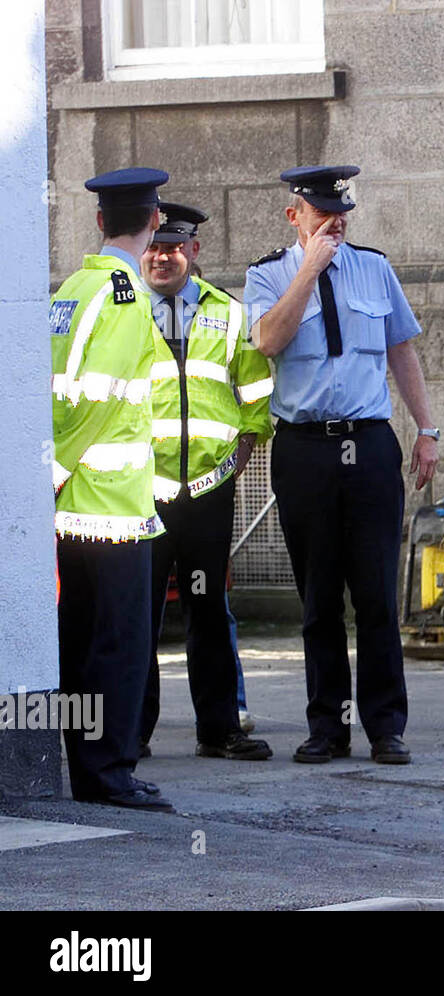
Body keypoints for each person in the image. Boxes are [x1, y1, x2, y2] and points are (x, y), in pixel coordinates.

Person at [244, 165, 439, 766]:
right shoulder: (266, 274)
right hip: (305, 447)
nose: (335, 220)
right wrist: (308, 271)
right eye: (321, 211)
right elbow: (268, 341)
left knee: (376, 592)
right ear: (294, 216)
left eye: (342, 211)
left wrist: (426, 428)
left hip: (369, 443)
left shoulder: (375, 269)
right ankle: (327, 726)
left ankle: (386, 727)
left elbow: (400, 348)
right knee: (319, 596)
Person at [50, 167, 174, 811]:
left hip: (75, 509)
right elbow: (99, 399)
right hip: (115, 505)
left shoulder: (74, 288)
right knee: (121, 648)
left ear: (99, 222)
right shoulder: (127, 296)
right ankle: (109, 774)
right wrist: (57, 469)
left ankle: (88, 766)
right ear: (154, 223)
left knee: (80, 644)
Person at [137, 202, 274, 762]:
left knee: (207, 609)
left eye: (173, 247)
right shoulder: (120, 312)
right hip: (138, 492)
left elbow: (256, 391)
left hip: (207, 492)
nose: (162, 256)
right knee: (137, 612)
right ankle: (129, 733)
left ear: (194, 251)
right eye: (153, 245)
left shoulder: (230, 313)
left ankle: (218, 730)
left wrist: (242, 450)